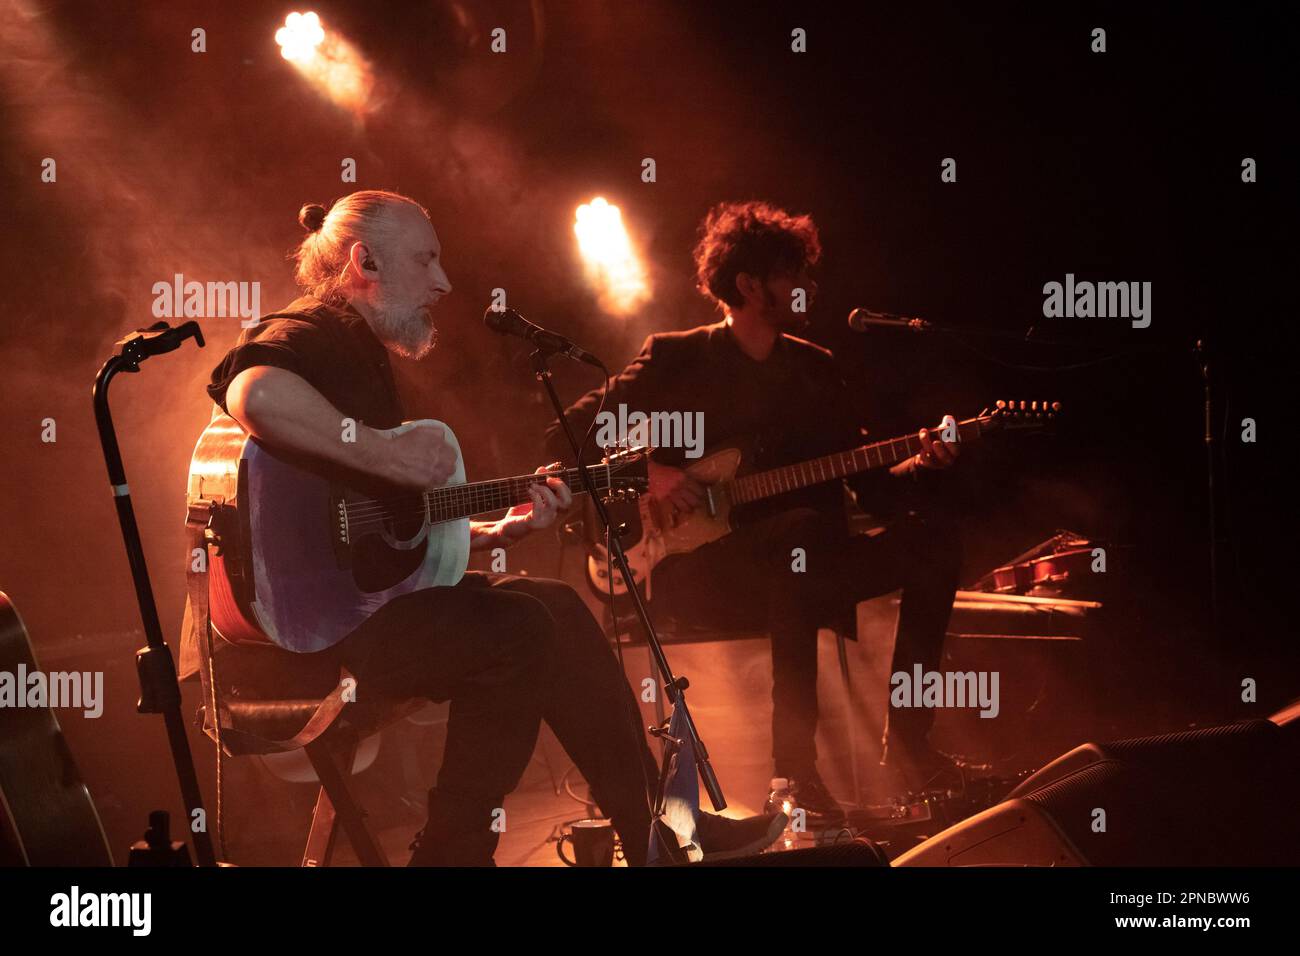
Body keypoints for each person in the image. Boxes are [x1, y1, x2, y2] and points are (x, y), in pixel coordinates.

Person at [204, 189, 782, 864]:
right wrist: (385, 450)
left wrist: (488, 535)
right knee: (517, 631)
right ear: (366, 261)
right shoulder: (315, 330)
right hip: (302, 643)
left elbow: (363, 531)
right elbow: (254, 392)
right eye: (426, 261)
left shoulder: (362, 351)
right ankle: (452, 853)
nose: (443, 282)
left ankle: (662, 828)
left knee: (559, 606)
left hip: (356, 614)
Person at [548, 201, 963, 823]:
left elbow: (873, 490)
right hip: (707, 572)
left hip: (810, 564)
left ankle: (909, 738)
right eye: (794, 274)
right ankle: (793, 774)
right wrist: (649, 474)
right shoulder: (676, 357)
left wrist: (920, 463)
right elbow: (566, 434)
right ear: (748, 284)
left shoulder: (817, 370)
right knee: (803, 539)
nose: (809, 288)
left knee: (934, 541)